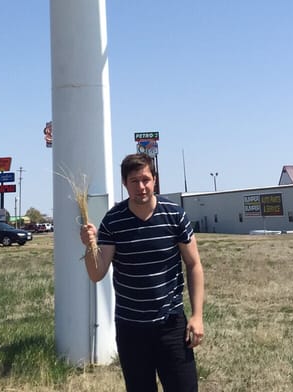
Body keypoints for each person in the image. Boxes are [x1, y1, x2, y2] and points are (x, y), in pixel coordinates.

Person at [80, 153, 204, 391]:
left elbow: (194, 264)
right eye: (134, 181)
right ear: (124, 184)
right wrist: (89, 245)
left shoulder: (174, 215)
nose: (141, 187)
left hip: (171, 325)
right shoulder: (113, 222)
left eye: (146, 179)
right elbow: (97, 273)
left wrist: (197, 316)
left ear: (155, 179)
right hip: (131, 329)